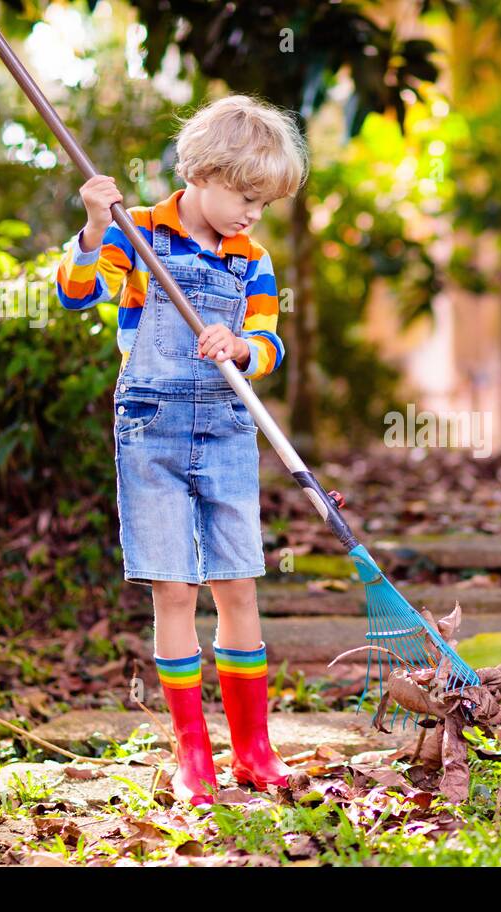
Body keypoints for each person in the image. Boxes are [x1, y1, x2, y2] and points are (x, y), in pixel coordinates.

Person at [55, 94, 307, 805]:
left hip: (225, 426)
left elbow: (269, 343)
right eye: (246, 195)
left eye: (266, 202)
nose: (254, 214)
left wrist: (244, 347)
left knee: (235, 584)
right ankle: (192, 752)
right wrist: (96, 226)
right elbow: (79, 295)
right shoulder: (140, 238)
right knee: (175, 588)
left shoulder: (252, 262)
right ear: (201, 171)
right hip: (152, 426)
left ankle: (254, 750)